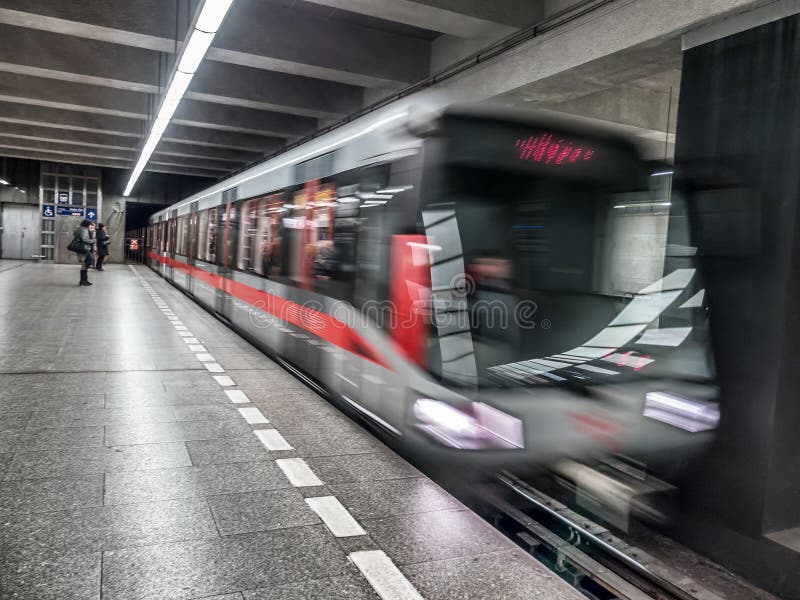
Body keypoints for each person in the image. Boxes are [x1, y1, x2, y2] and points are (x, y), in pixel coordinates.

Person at [73, 219, 96, 286]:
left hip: (81, 248)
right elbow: (85, 239)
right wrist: (93, 240)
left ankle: (84, 280)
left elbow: (75, 234)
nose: (90, 225)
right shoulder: (84, 230)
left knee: (84, 264)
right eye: (90, 224)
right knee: (84, 265)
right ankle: (83, 281)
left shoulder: (79, 229)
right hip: (84, 249)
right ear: (87, 224)